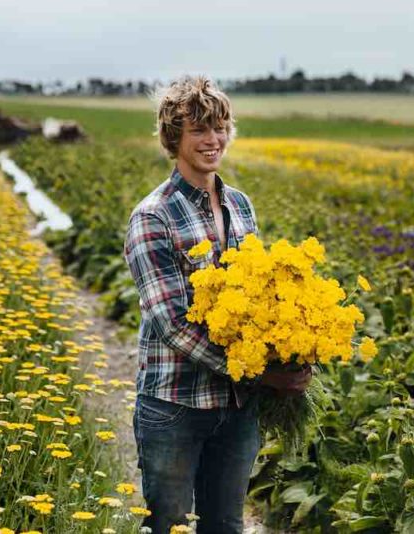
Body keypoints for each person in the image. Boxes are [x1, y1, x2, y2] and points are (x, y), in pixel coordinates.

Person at [123, 75, 312, 533]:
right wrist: (263, 373)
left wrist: (295, 344)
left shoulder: (241, 206)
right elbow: (172, 324)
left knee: (225, 525)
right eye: (199, 131)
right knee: (167, 524)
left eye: (220, 127)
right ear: (174, 138)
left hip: (237, 407)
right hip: (175, 403)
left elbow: (261, 296)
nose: (213, 140)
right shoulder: (154, 216)